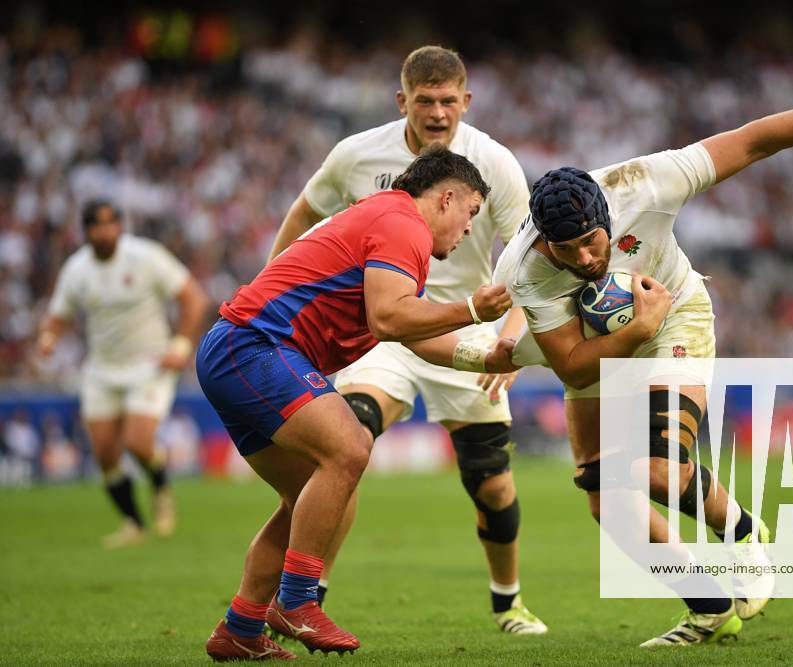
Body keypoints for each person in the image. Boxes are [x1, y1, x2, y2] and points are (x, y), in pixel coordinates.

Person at [494, 88, 793, 647]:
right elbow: (573, 367)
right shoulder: (524, 266)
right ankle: (711, 606)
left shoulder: (647, 184)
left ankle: (741, 527)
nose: (582, 259)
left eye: (590, 242)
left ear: (607, 216)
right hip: (605, 344)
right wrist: (632, 329)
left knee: (657, 468)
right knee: (605, 498)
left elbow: (753, 140)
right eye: (563, 249)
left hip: (675, 318)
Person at [198, 147, 517, 661]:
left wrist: (485, 358)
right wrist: (473, 307)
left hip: (239, 349)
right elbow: (391, 320)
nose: (468, 231)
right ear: (448, 197)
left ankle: (240, 626)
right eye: (472, 215)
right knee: (348, 449)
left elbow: (408, 333)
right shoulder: (403, 223)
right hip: (255, 346)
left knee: (304, 494)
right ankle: (298, 600)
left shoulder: (389, 218)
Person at [267, 45, 546, 634]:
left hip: (465, 331)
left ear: (466, 101)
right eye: (426, 101)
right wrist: (274, 287)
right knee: (348, 437)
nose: (439, 112)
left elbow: (531, 256)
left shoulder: (493, 163)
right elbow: (303, 213)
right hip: (381, 332)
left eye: (449, 101)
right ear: (403, 102)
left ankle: (508, 601)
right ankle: (307, 595)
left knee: (490, 482)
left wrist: (514, 337)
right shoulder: (358, 155)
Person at [37, 200, 209, 547]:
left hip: (149, 364)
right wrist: (48, 336)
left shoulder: (146, 257)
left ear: (120, 225)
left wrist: (180, 345)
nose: (104, 232)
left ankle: (161, 487)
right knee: (104, 453)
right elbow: (59, 314)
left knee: (137, 441)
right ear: (85, 231)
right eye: (96, 226)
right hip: (101, 369)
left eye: (110, 224)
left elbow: (193, 298)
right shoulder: (77, 270)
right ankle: (134, 524)